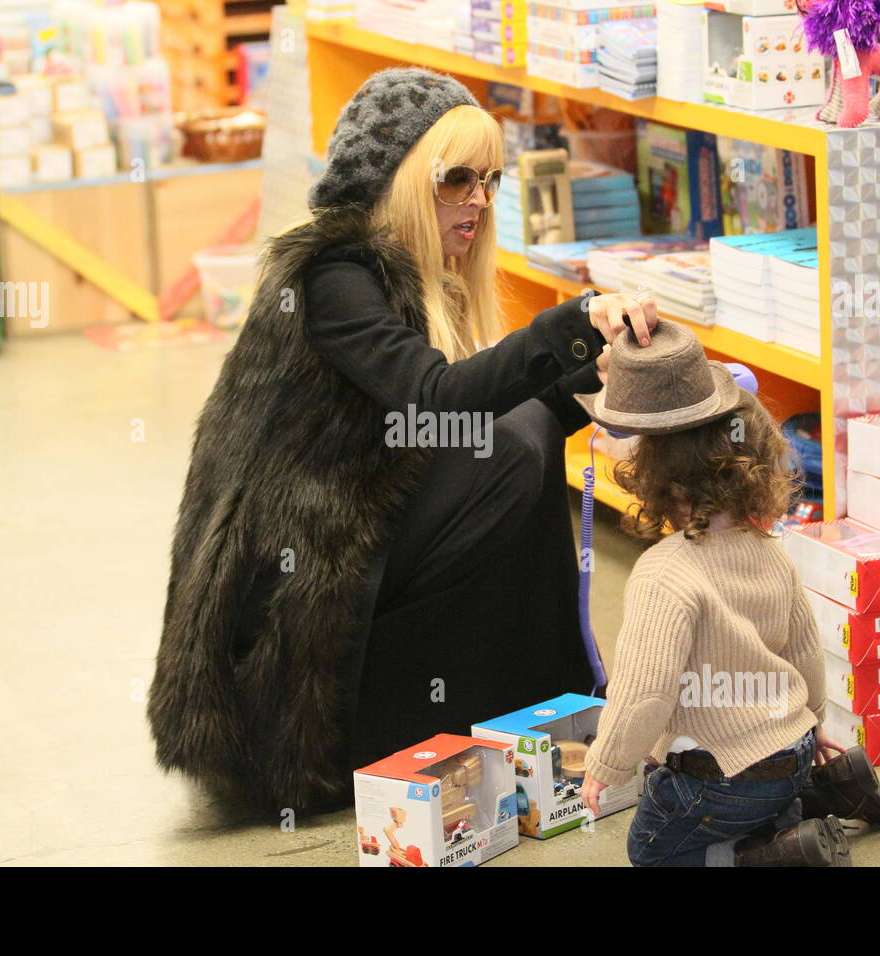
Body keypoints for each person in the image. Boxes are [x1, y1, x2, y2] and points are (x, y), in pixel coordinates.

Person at [148, 67, 657, 819]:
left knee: (527, 429)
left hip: (352, 527)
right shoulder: (332, 276)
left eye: (488, 180)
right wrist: (571, 327)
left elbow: (439, 419)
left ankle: (546, 706)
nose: (478, 201)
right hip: (291, 594)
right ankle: (436, 717)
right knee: (509, 450)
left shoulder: (412, 272)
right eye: (457, 179)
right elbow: (435, 400)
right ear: (401, 180)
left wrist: (591, 376)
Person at [576, 325, 880, 866]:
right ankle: (811, 800)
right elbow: (807, 655)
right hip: (792, 751)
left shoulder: (663, 573)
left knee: (650, 850)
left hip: (724, 779)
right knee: (748, 793)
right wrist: (813, 726)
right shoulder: (772, 550)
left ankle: (763, 857)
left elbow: (645, 691)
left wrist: (606, 764)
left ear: (656, 478)